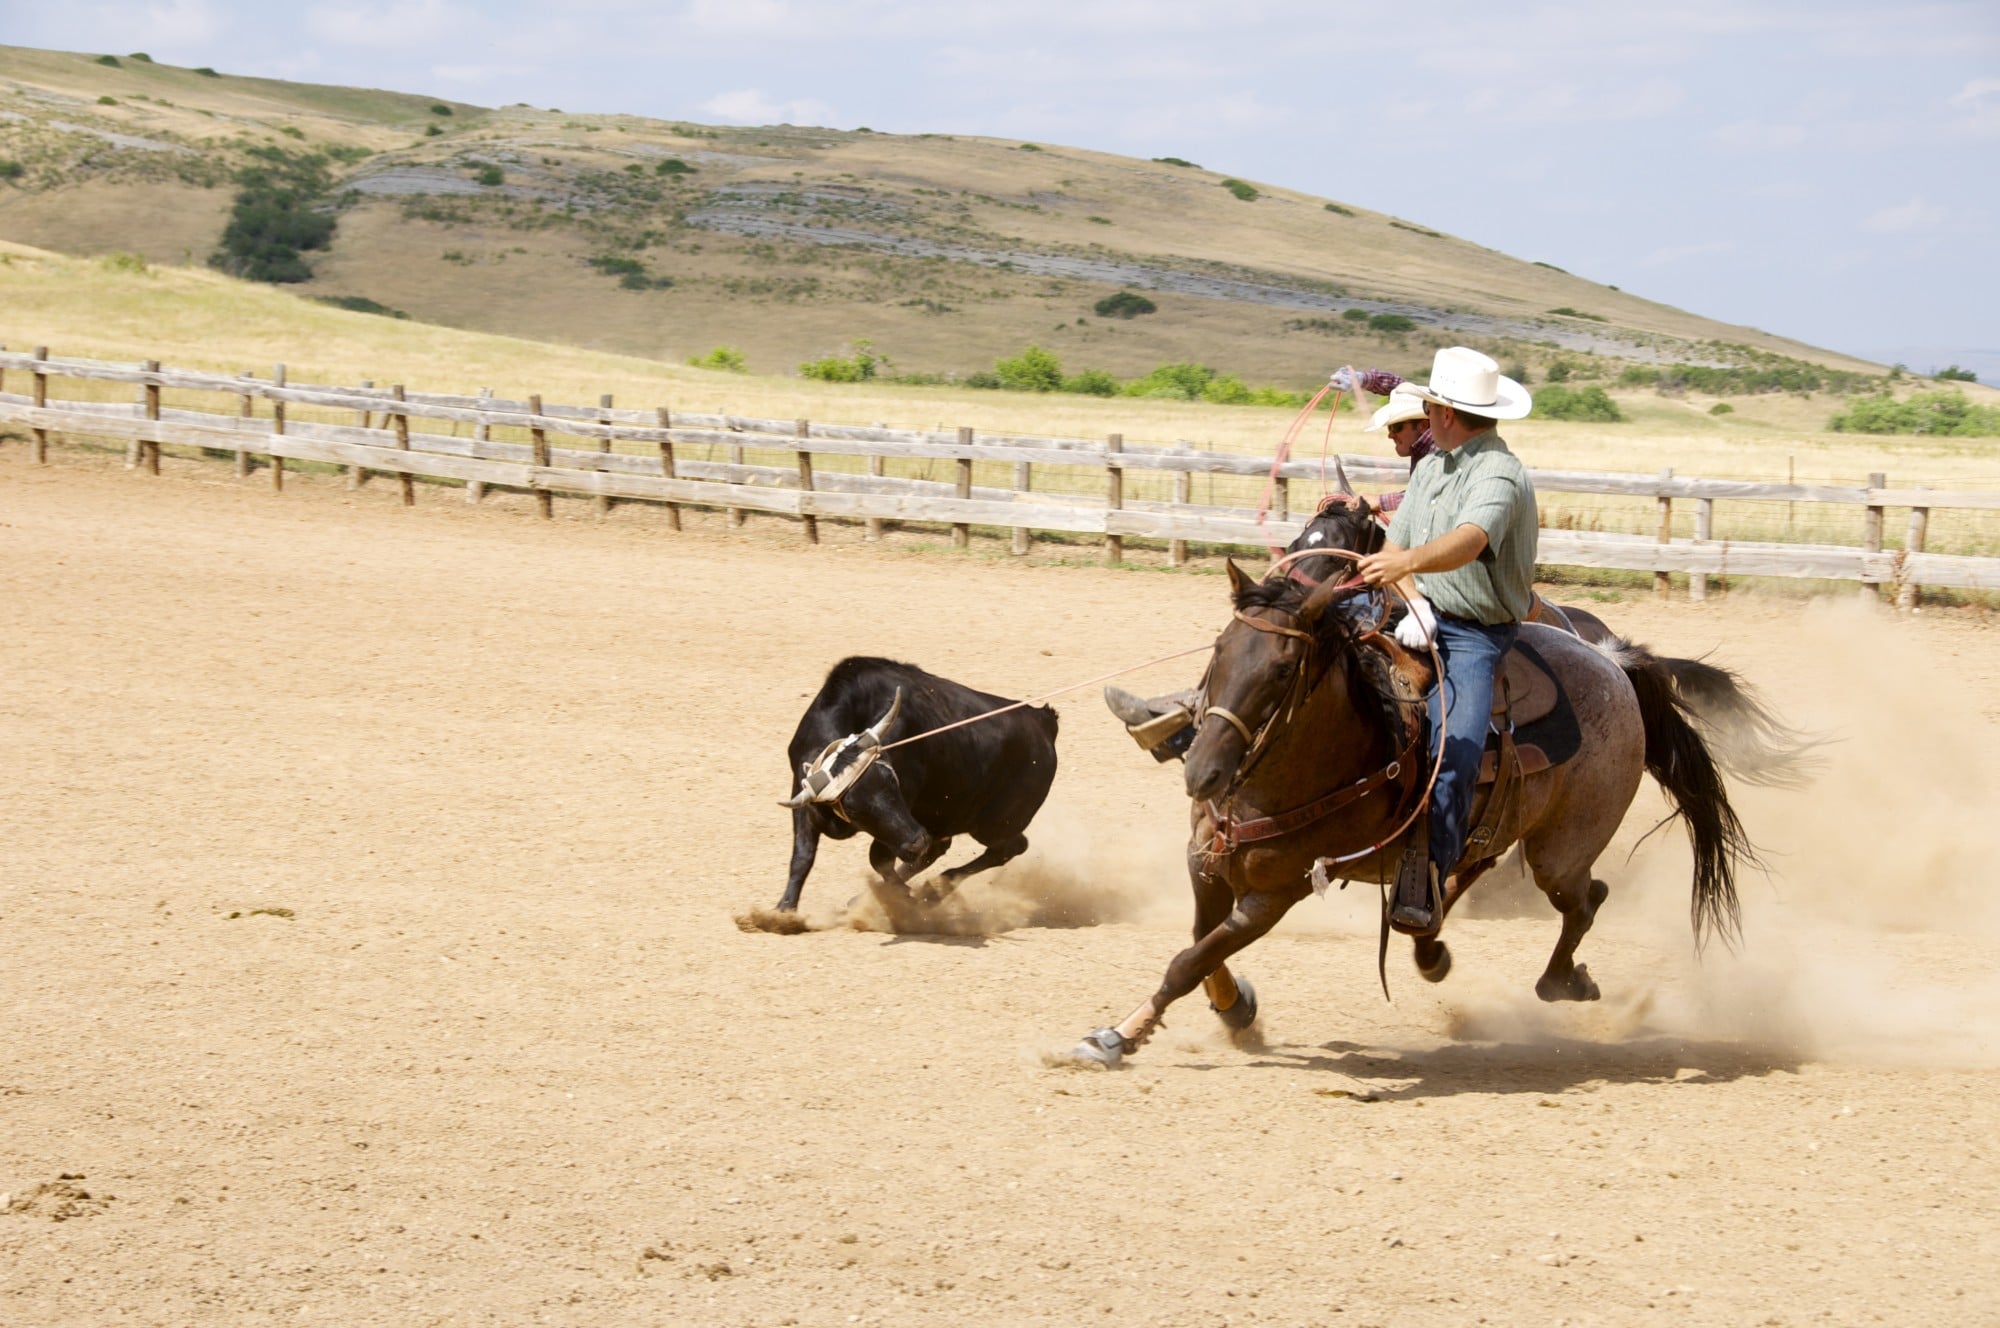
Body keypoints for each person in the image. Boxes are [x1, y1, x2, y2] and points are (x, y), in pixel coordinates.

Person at [1354, 346, 1538, 934]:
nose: (1426, 414)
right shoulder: (1434, 467)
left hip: (1476, 633)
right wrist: (1410, 596)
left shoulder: (1500, 475)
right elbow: (1393, 552)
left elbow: (1470, 540)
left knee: (1454, 746)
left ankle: (1429, 871)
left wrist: (1407, 565)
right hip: (1419, 612)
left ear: (1448, 414)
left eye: (1430, 406)